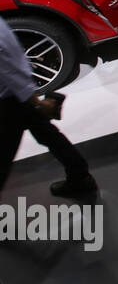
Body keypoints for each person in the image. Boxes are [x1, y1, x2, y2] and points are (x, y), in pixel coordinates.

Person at [0, 16, 96, 197]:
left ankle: (80, 176)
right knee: (48, 135)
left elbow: (9, 71)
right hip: (15, 98)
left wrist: (36, 101)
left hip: (10, 103)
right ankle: (80, 177)